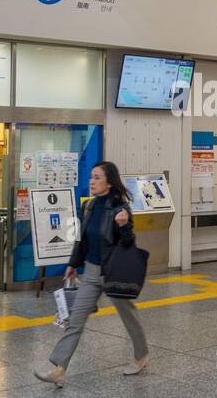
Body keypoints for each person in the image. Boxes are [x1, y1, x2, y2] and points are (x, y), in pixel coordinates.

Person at [36, 162, 148, 386]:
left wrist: (124, 226)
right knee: (75, 319)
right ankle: (60, 369)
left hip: (112, 272)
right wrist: (73, 263)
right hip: (90, 271)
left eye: (97, 177)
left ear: (109, 181)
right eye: (91, 177)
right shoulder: (88, 206)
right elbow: (82, 239)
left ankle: (141, 355)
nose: (92, 181)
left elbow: (128, 243)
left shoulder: (120, 208)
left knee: (128, 316)